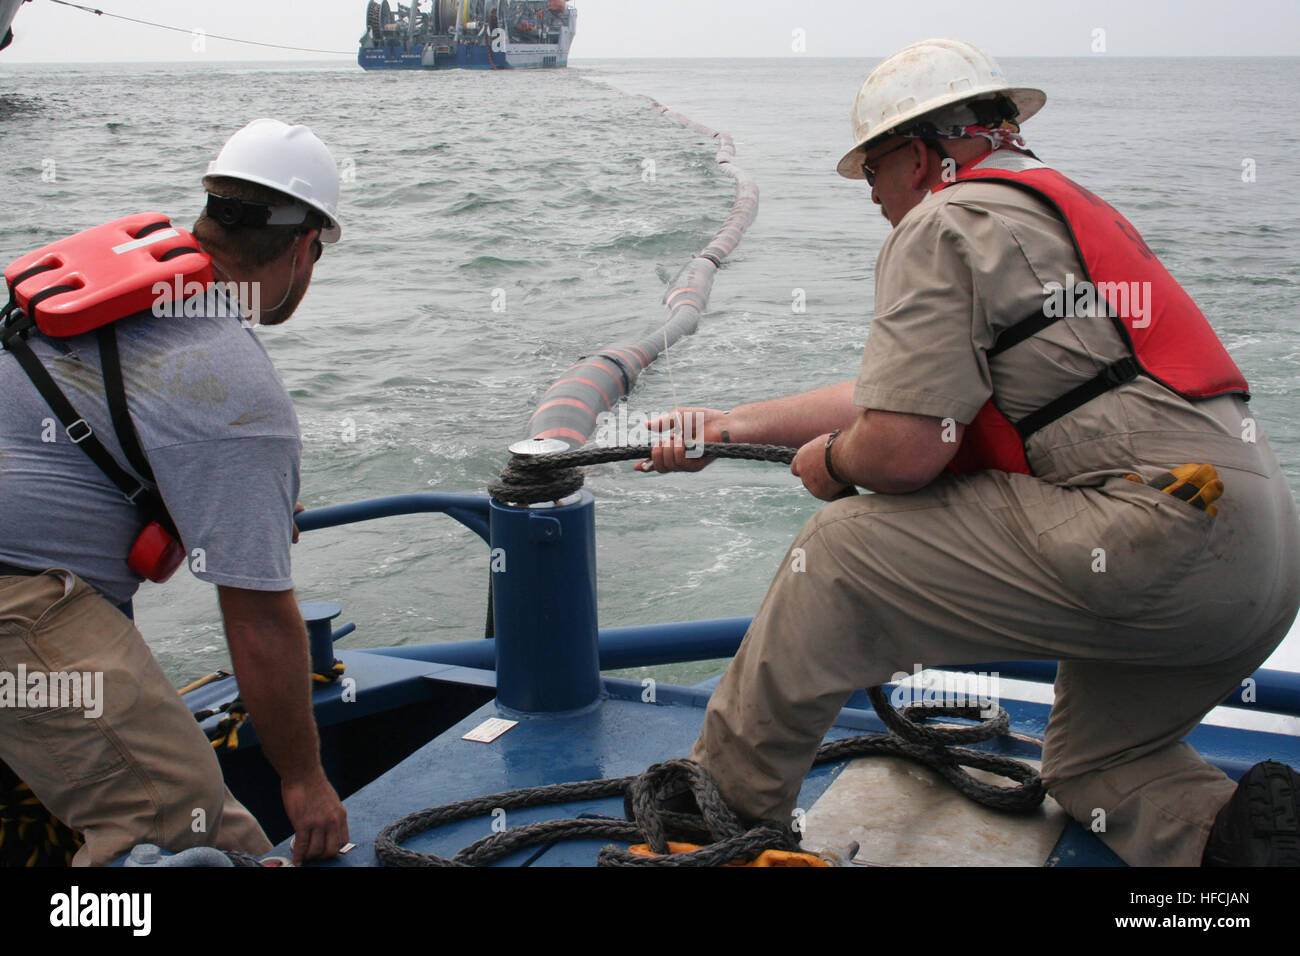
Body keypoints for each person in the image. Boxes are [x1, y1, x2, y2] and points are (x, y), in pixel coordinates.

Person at [643, 38, 1300, 866]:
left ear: (917, 157)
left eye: (872, 172)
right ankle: (1242, 843)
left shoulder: (942, 221)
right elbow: (898, 398)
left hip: (1155, 533)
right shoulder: (1045, 210)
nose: (872, 197)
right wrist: (729, 428)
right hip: (1259, 558)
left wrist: (833, 464)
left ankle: (714, 824)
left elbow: (902, 447)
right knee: (1097, 767)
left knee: (840, 557)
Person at [0, 118, 350, 866]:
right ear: (303, 248)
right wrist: (304, 780)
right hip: (16, 599)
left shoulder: (102, 288)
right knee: (181, 821)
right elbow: (257, 615)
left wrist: (238, 504)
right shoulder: (233, 389)